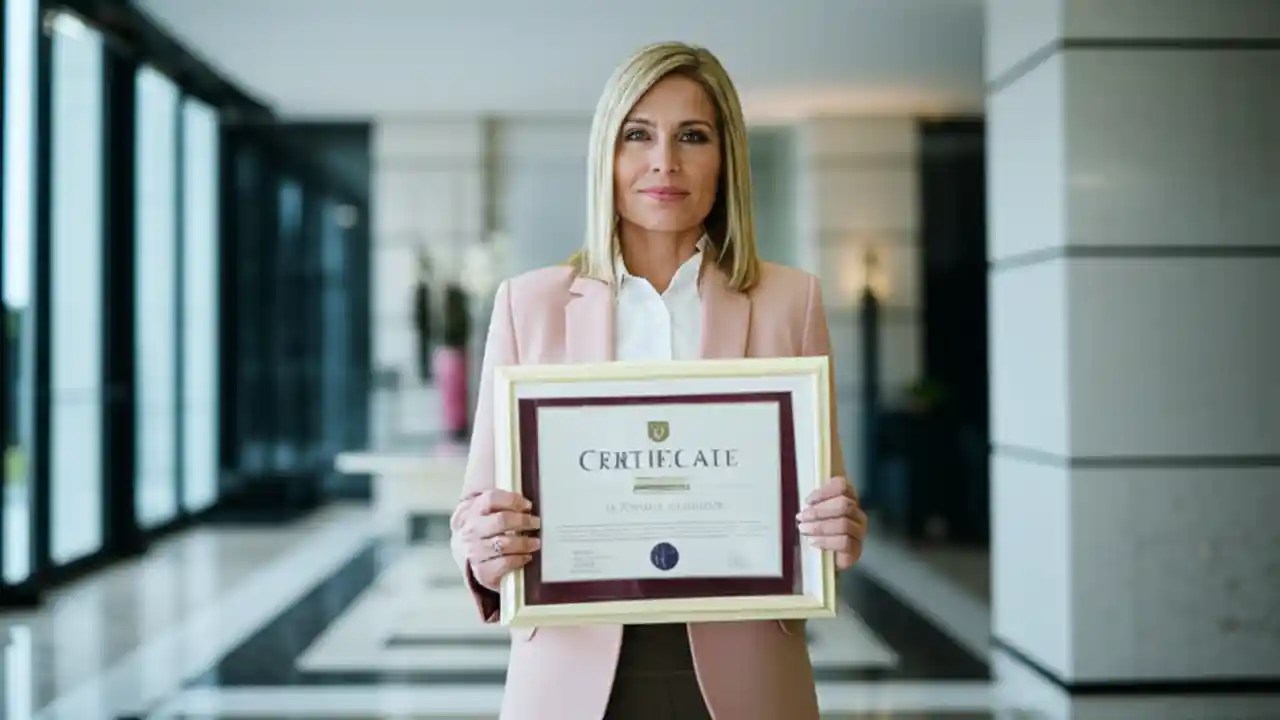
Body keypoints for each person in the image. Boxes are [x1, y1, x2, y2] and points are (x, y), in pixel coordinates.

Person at [449, 41, 869, 720]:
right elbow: (475, 506)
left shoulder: (794, 301)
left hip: (747, 672)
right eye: (637, 134)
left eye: (693, 136)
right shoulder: (528, 304)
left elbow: (825, 503)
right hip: (573, 670)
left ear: (726, 157)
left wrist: (839, 529)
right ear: (606, 156)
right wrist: (482, 545)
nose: (664, 161)